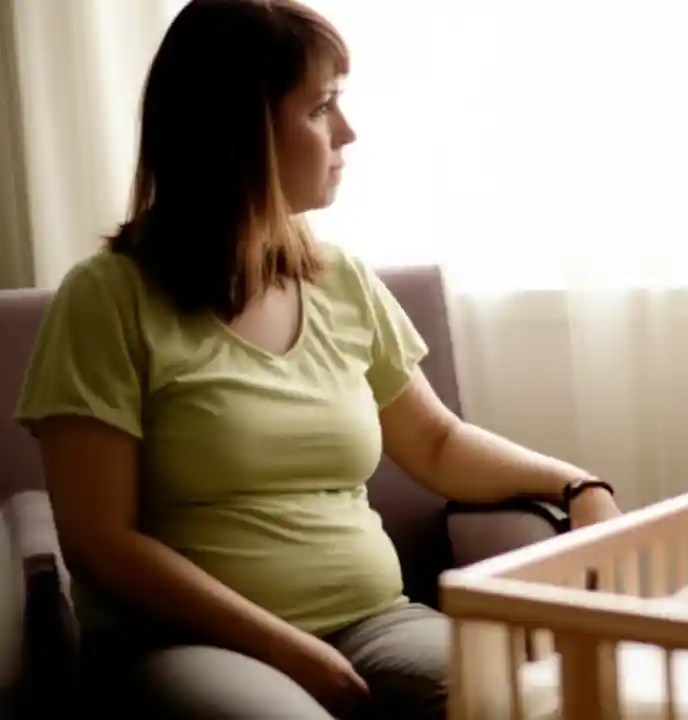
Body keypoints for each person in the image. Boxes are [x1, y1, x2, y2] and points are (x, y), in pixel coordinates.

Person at [12, 1, 622, 718]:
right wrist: (288, 649)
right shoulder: (106, 300)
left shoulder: (342, 282)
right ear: (240, 129)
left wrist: (576, 484)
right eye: (321, 107)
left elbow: (436, 442)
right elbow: (101, 541)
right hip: (188, 644)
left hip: (374, 622)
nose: (347, 132)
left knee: (545, 703)